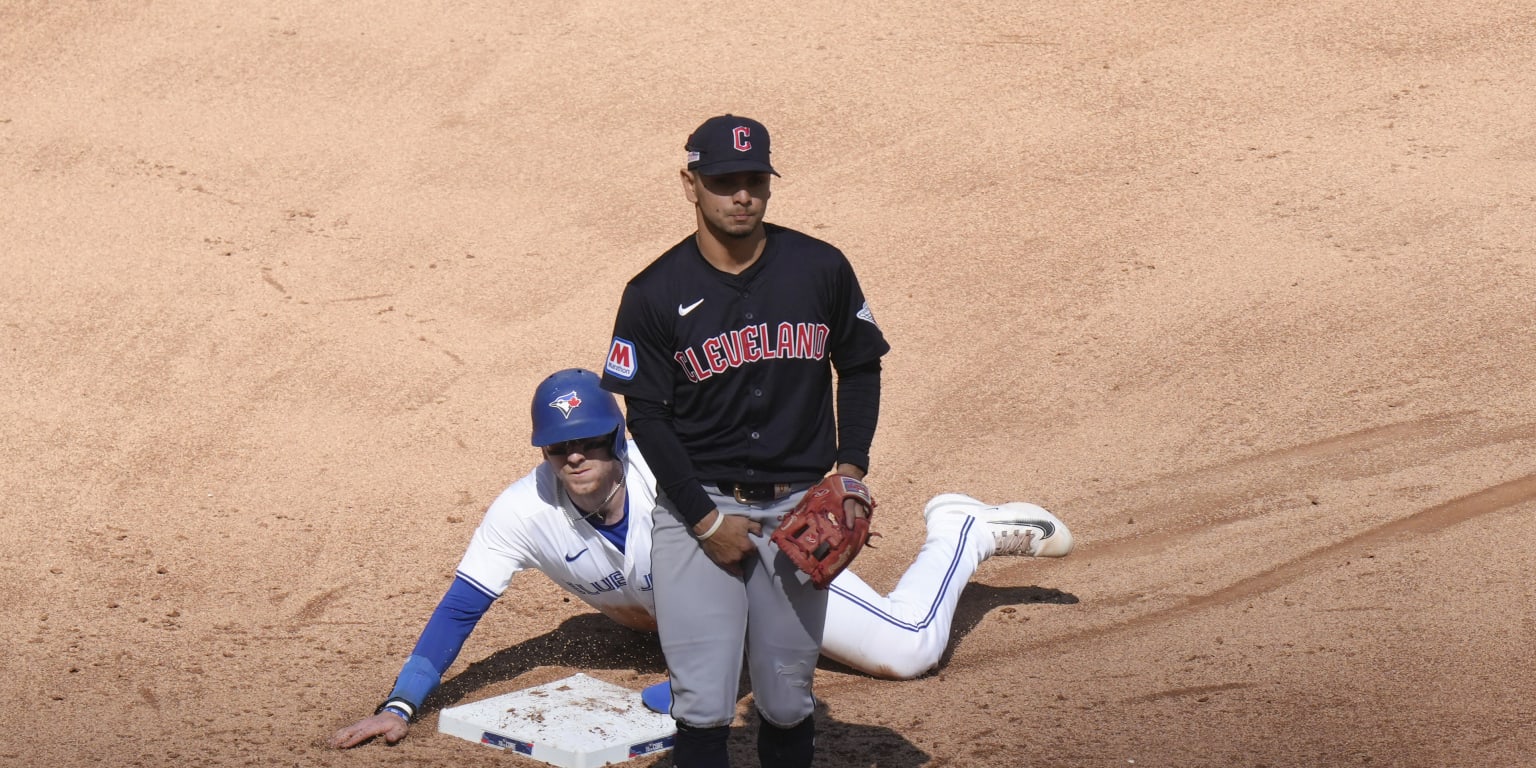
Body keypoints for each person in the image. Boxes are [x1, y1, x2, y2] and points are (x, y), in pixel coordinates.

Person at [327, 369, 1072, 750]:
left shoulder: (673, 476)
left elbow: (746, 589)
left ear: (619, 441)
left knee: (908, 650)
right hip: (686, 613)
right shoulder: (522, 512)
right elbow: (460, 608)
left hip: (758, 569)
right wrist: (400, 704)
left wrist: (684, 692)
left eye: (590, 441)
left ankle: (960, 531)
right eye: (560, 448)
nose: (575, 457)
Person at [597, 114, 1026, 768]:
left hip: (800, 511)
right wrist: (707, 521)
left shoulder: (819, 268)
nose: (741, 195)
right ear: (690, 184)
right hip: (696, 514)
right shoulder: (654, 293)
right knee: (703, 705)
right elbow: (646, 416)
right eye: (723, 181)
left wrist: (850, 470)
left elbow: (859, 364)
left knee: (787, 698)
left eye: (754, 181)